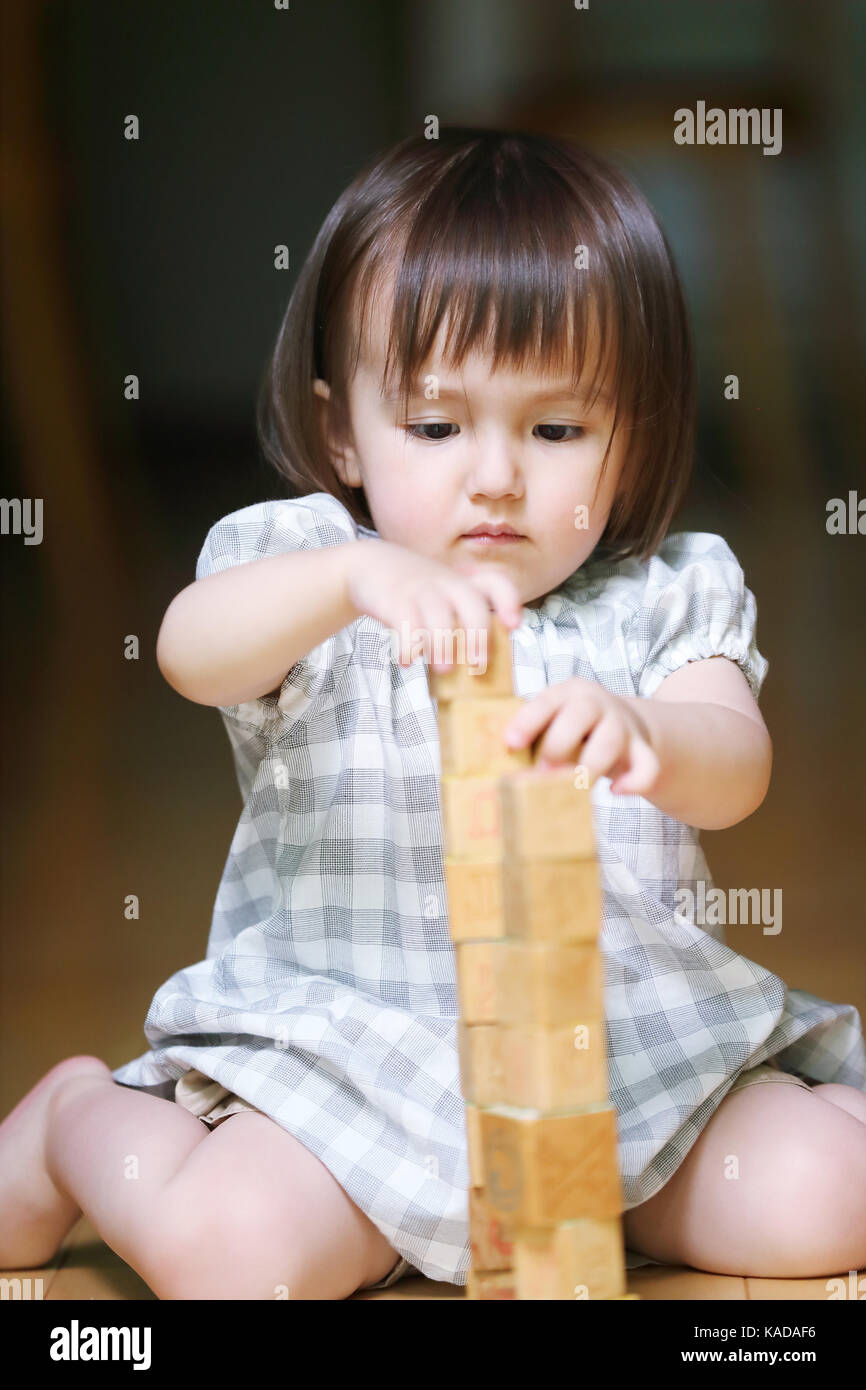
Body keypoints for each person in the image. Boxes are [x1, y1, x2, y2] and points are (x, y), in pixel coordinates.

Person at [1, 128, 864, 1300]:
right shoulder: (304, 569)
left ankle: (577, 1215)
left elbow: (735, 763)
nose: (495, 475)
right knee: (232, 1262)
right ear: (342, 429)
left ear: (632, 441)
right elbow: (188, 652)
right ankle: (73, 1119)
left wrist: (647, 734)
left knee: (828, 1192)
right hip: (342, 1082)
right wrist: (350, 582)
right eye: (435, 426)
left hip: (624, 1069)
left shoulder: (663, 598)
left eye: (555, 430)